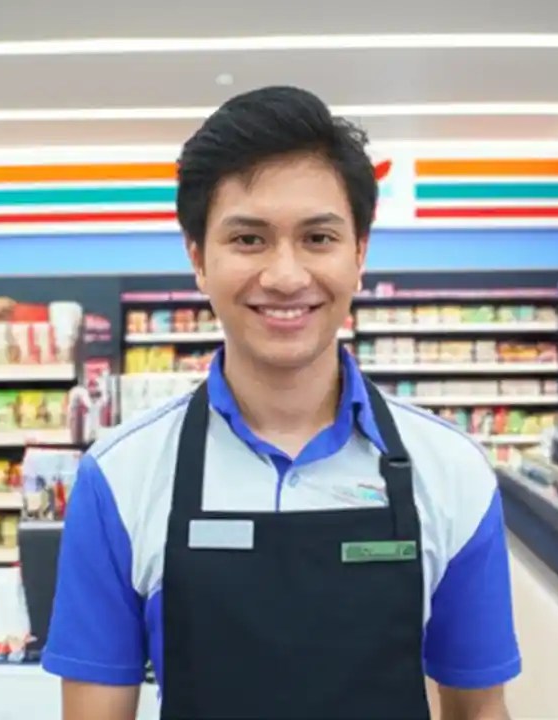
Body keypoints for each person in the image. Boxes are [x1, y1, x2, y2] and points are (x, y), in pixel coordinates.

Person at [43, 85, 522, 720]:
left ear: (359, 254)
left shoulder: (453, 470)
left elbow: (478, 710)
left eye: (318, 237)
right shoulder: (118, 477)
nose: (287, 277)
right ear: (198, 258)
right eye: (249, 239)